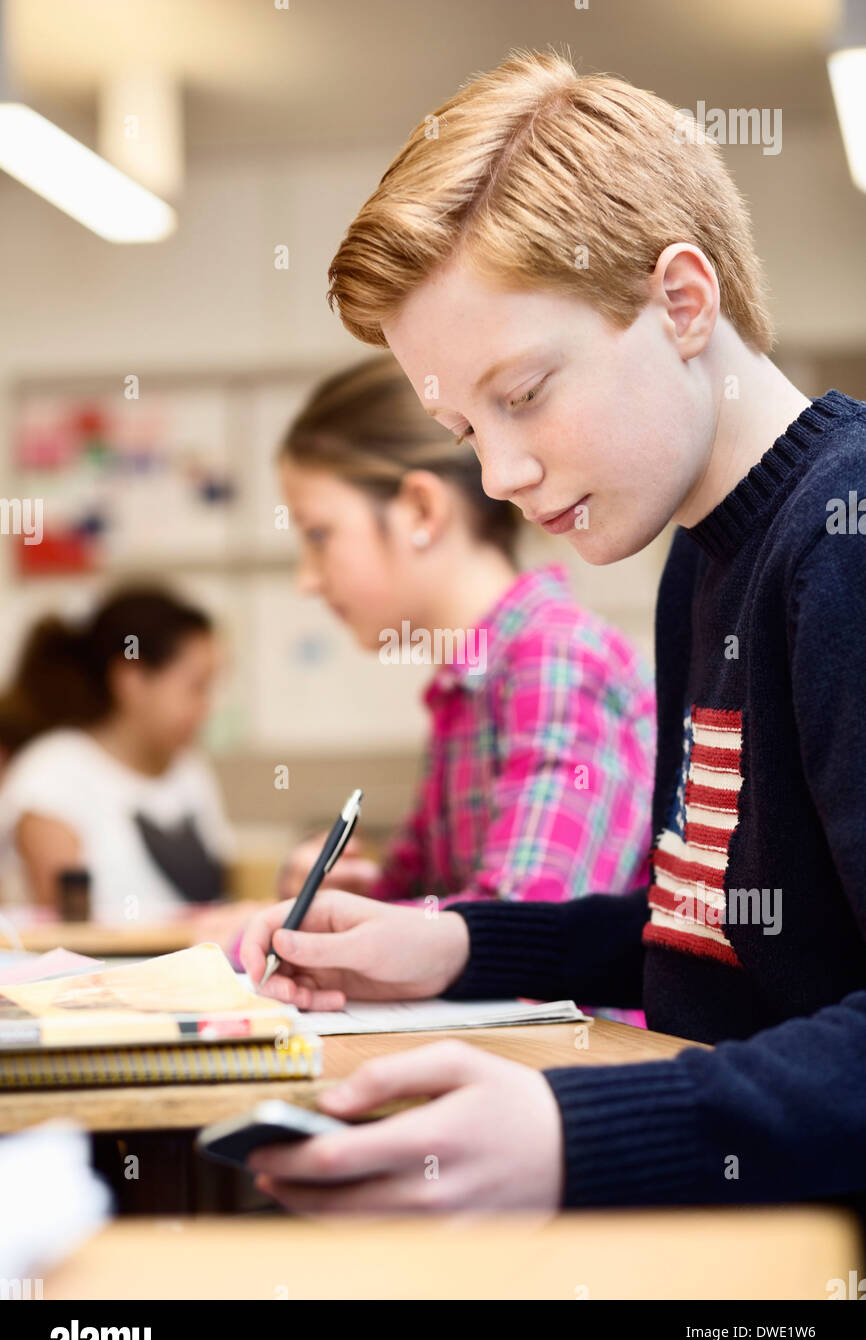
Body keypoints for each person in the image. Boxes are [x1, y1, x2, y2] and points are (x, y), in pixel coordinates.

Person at [239, 51, 866, 1215]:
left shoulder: (841, 538)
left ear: (681, 302)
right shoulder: (701, 555)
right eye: (463, 425)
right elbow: (720, 939)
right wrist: (463, 947)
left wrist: (579, 1130)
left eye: (522, 394)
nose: (502, 470)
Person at [276, 354, 655, 956]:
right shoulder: (467, 683)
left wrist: (344, 931)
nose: (308, 579)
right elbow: (425, 895)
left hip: (578, 1046)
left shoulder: (557, 661)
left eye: (319, 536)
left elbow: (521, 931)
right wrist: (329, 900)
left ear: (422, 511)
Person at [0, 586, 234, 924]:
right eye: (196, 687)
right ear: (132, 680)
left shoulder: (190, 770)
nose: (206, 708)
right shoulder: (50, 774)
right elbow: (70, 931)